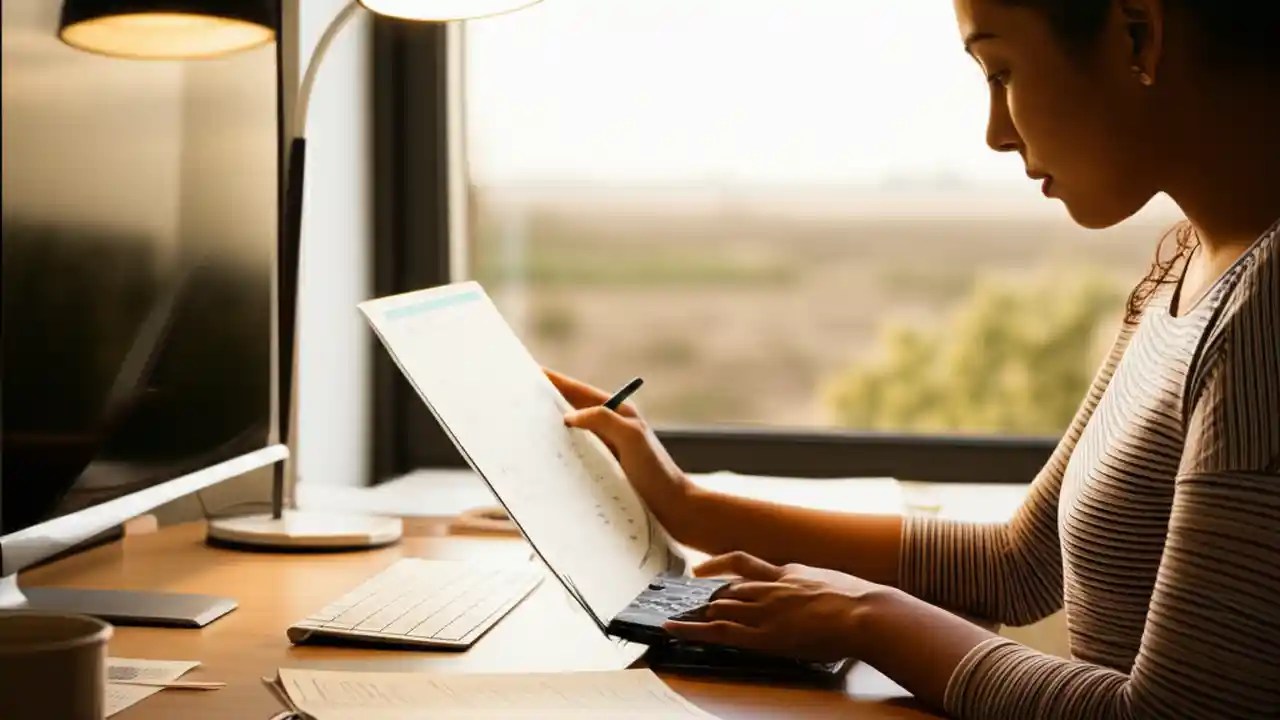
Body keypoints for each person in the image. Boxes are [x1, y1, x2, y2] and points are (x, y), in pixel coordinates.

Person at [545, 1, 1280, 718]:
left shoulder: (1265, 315)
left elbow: (1179, 710)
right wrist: (687, 505)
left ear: (1137, 35)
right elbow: (1020, 563)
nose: (996, 133)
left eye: (1001, 72)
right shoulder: (1191, 262)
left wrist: (868, 618)